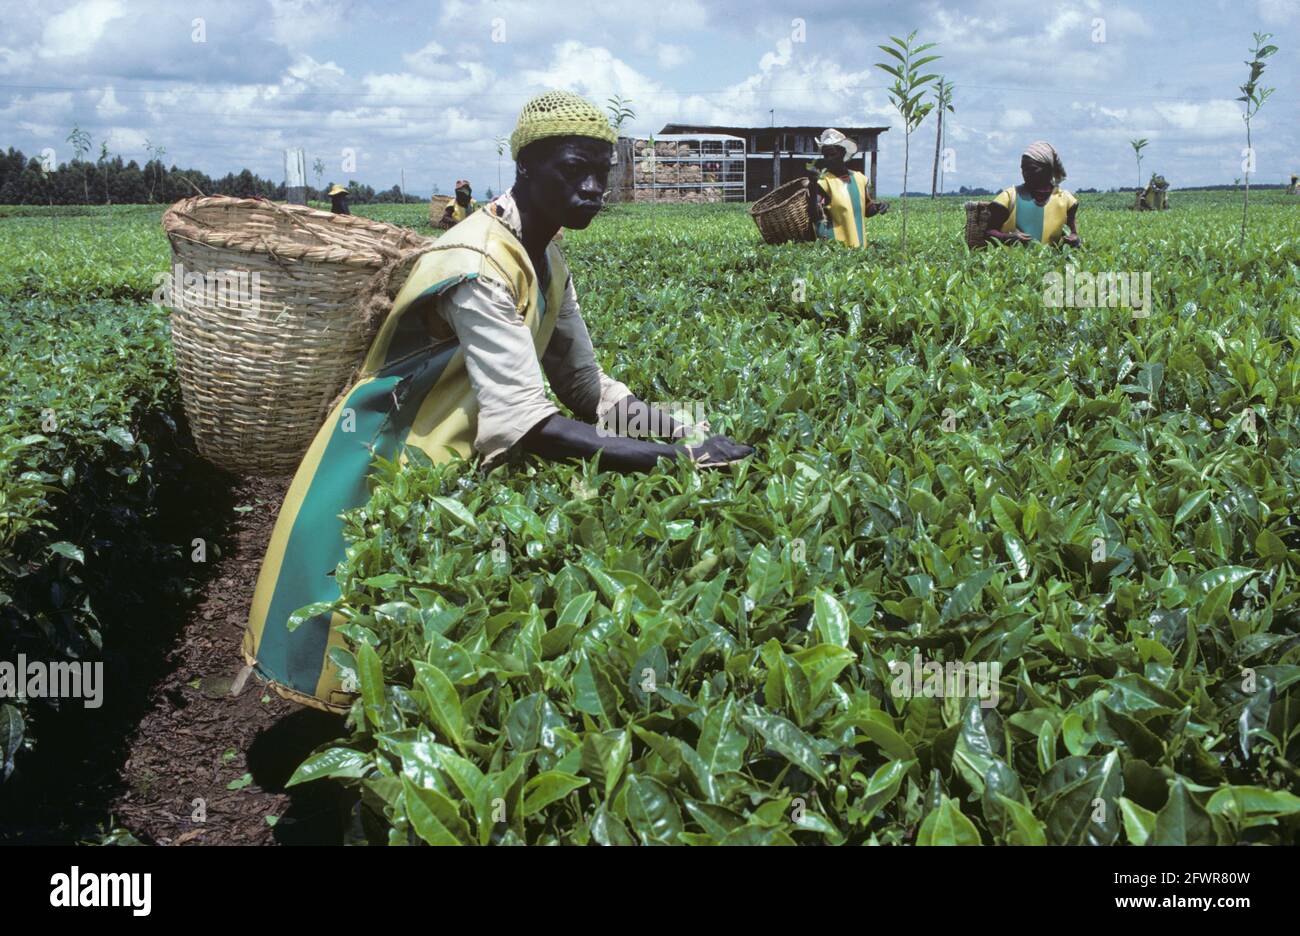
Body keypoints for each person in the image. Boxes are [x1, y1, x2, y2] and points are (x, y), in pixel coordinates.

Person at [244, 90, 755, 711]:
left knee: (419, 662)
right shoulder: (479, 260)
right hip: (387, 463)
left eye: (603, 171)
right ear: (526, 168)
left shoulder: (546, 254)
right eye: (574, 169)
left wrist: (682, 431)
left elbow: (585, 388)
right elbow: (530, 422)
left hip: (453, 462)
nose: (593, 187)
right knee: (357, 652)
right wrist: (677, 460)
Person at [986, 142, 1080, 246]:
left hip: (1052, 261)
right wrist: (1007, 238)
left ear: (1048, 169)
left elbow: (1073, 234)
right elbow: (988, 232)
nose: (1025, 173)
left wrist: (1074, 239)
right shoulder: (1008, 197)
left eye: (1032, 169)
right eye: (1023, 169)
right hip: (1014, 260)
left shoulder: (1067, 200)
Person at [807, 128, 888, 248]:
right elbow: (814, 215)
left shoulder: (859, 179)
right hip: (835, 249)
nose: (828, 158)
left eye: (832, 154)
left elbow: (867, 209)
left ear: (842, 153)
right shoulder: (823, 182)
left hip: (860, 245)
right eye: (825, 155)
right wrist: (813, 184)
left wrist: (878, 207)